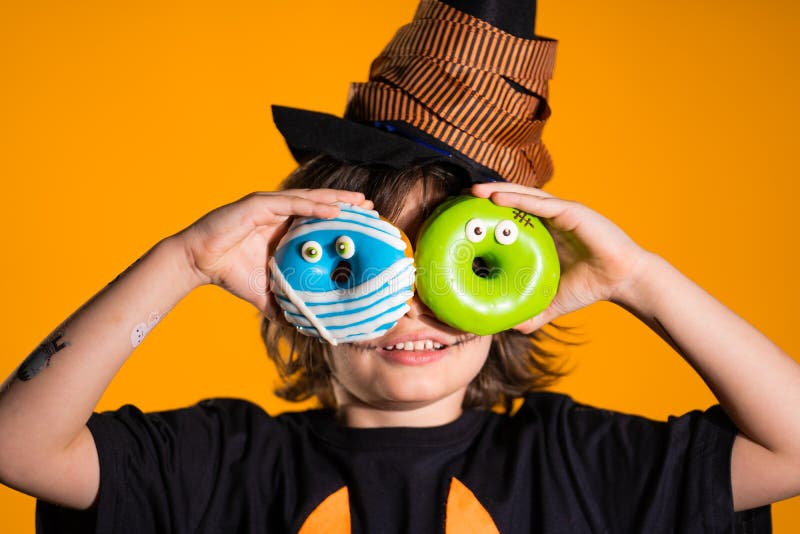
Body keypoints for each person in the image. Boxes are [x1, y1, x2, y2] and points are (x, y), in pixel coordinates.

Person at [0, 0, 797, 532]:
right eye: (373, 264)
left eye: (452, 268)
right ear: (292, 279)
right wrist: (184, 259)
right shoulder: (225, 464)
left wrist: (639, 279)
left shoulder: (578, 463)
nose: (412, 305)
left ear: (519, 283)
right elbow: (18, 448)